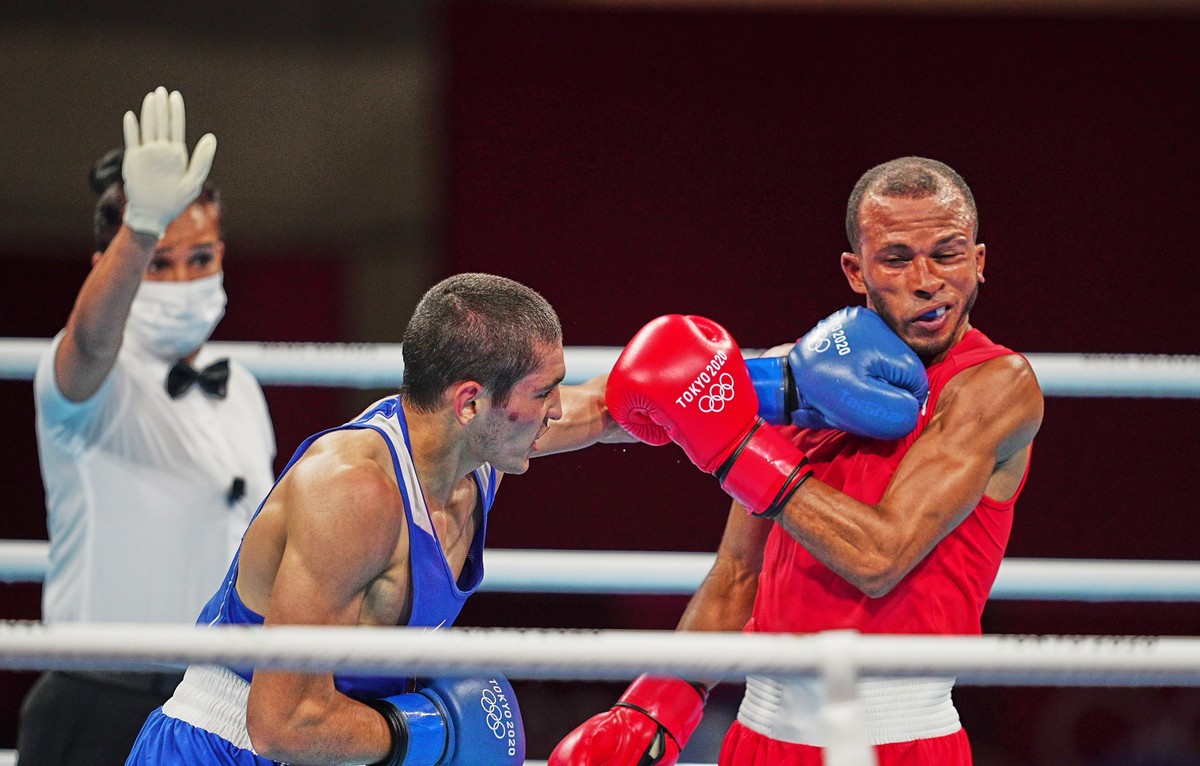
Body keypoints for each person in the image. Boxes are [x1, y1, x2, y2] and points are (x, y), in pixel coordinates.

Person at [553, 156, 1045, 765]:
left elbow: (879, 556)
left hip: (902, 739)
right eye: (896, 258)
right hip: (761, 734)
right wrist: (660, 705)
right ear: (856, 271)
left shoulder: (994, 385)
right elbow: (738, 571)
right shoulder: (796, 381)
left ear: (978, 261)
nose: (926, 279)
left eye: (946, 254)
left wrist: (734, 443)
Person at [123, 271, 632, 765]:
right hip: (228, 748)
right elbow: (283, 723)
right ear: (471, 402)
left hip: (330, 748)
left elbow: (609, 408)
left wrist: (699, 381)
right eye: (544, 393)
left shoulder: (479, 455)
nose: (559, 410)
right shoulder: (354, 492)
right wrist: (435, 734)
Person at [16, 86, 276, 766]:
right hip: (101, 695)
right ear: (107, 266)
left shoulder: (242, 390)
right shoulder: (85, 378)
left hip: (219, 700)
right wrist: (140, 229)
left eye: (201, 257)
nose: (183, 278)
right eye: (160, 262)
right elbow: (92, 342)